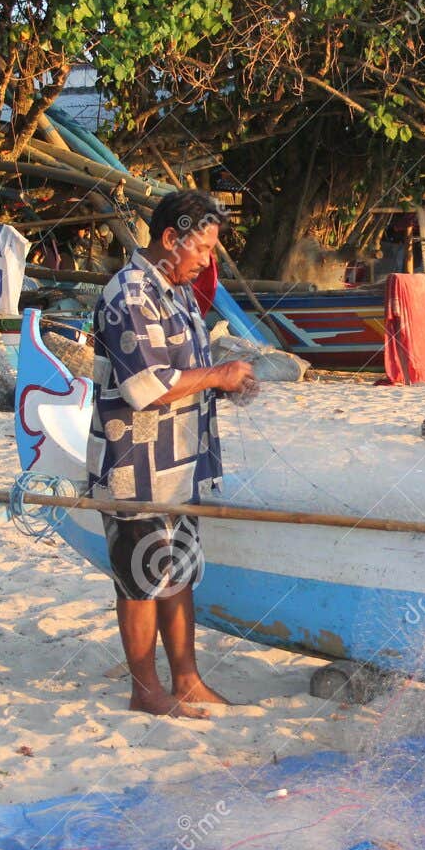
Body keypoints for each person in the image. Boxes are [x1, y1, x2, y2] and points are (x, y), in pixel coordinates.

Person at [88, 191, 255, 718]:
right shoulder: (130, 295)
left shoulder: (176, 291)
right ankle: (145, 690)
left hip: (180, 463)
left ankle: (186, 680)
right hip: (134, 464)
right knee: (139, 578)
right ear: (170, 239)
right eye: (202, 248)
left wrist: (226, 381)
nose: (207, 261)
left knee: (178, 572)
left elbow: (189, 368)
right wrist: (218, 377)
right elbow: (146, 385)